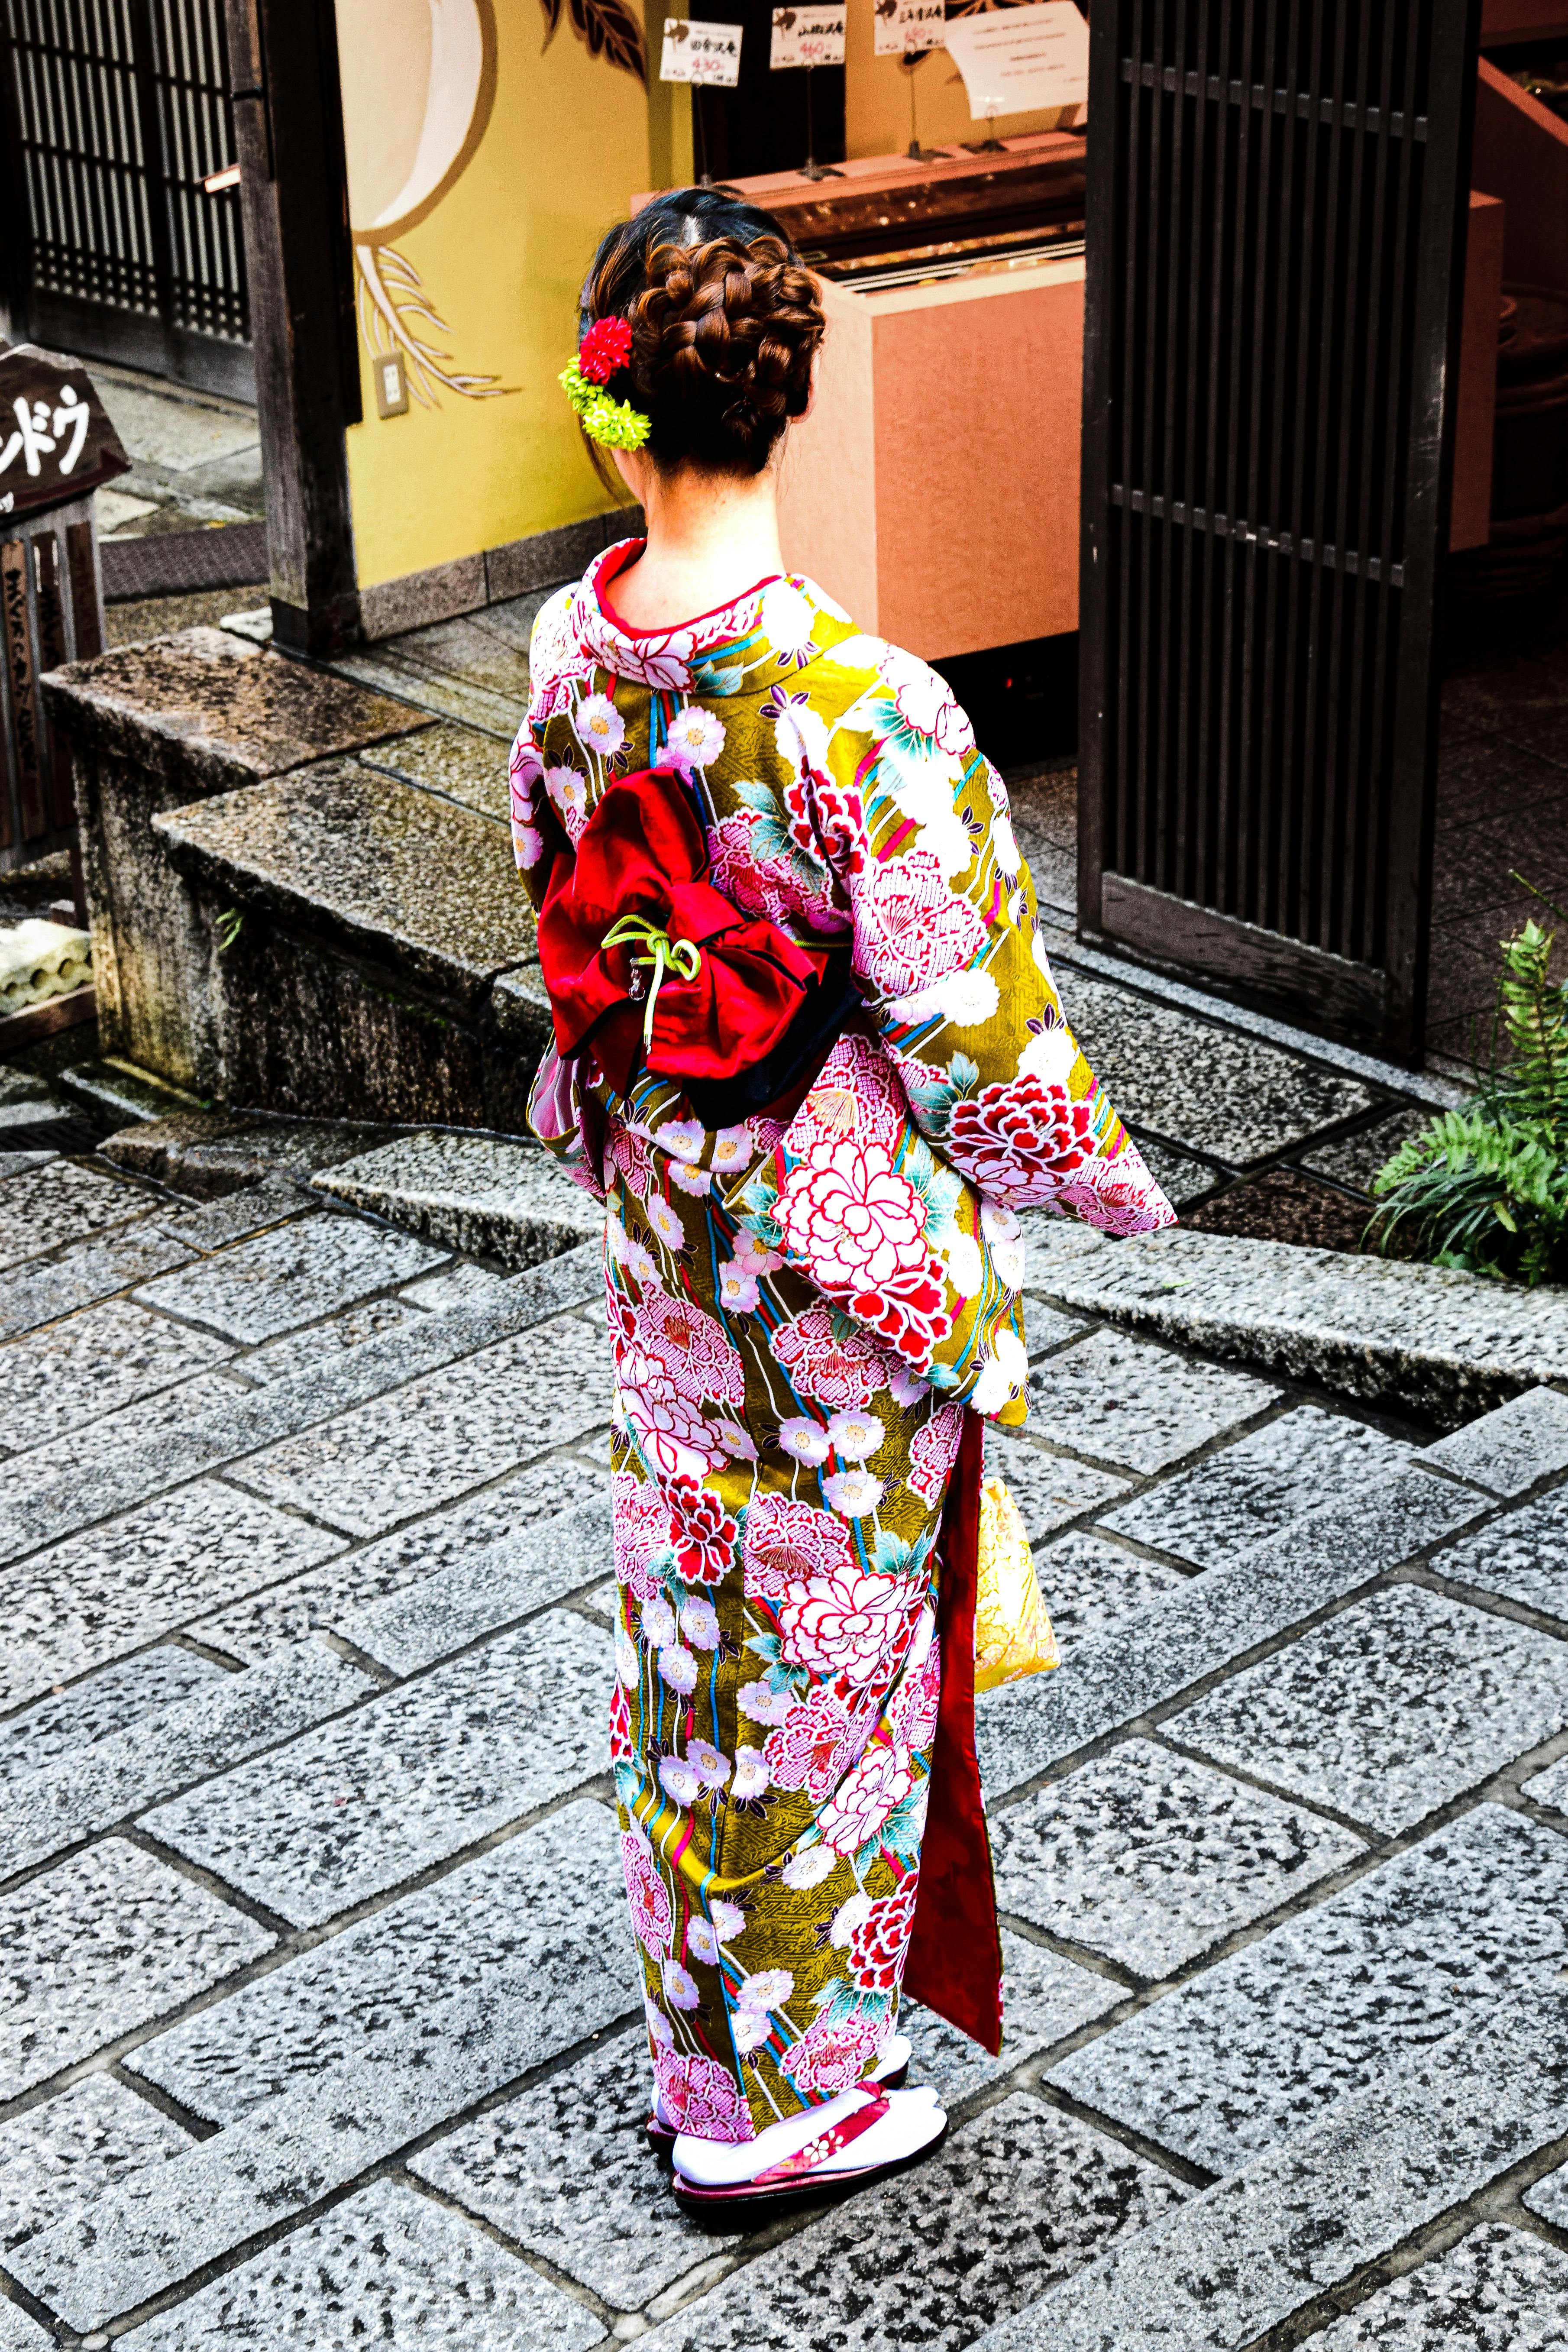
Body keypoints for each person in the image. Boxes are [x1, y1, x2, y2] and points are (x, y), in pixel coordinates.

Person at [510, 186, 1174, 2219]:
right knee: (838, 1650)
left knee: (694, 1620)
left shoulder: (569, 645)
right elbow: (972, 1025)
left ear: (616, 405)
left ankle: (699, 2027)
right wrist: (1110, 1175)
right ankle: (781, 2099)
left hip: (667, 1227)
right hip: (835, 1258)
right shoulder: (864, 701)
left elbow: (557, 903)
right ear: (784, 399)